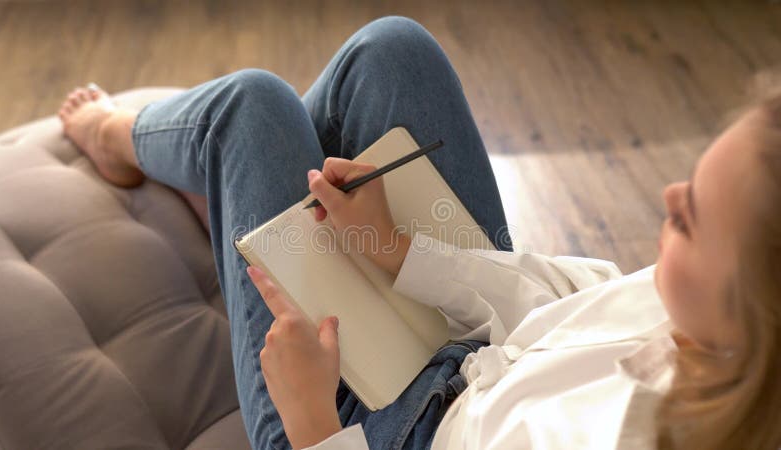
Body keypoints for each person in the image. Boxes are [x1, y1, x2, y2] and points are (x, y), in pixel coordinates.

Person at [57, 16, 781, 450]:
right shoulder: (692, 318)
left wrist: (311, 417)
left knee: (249, 108)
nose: (668, 194)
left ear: (756, 318)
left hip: (371, 433)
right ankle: (251, 206)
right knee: (392, 52)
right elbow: (563, 297)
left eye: (690, 219)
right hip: (475, 351)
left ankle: (122, 140)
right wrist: (399, 253)